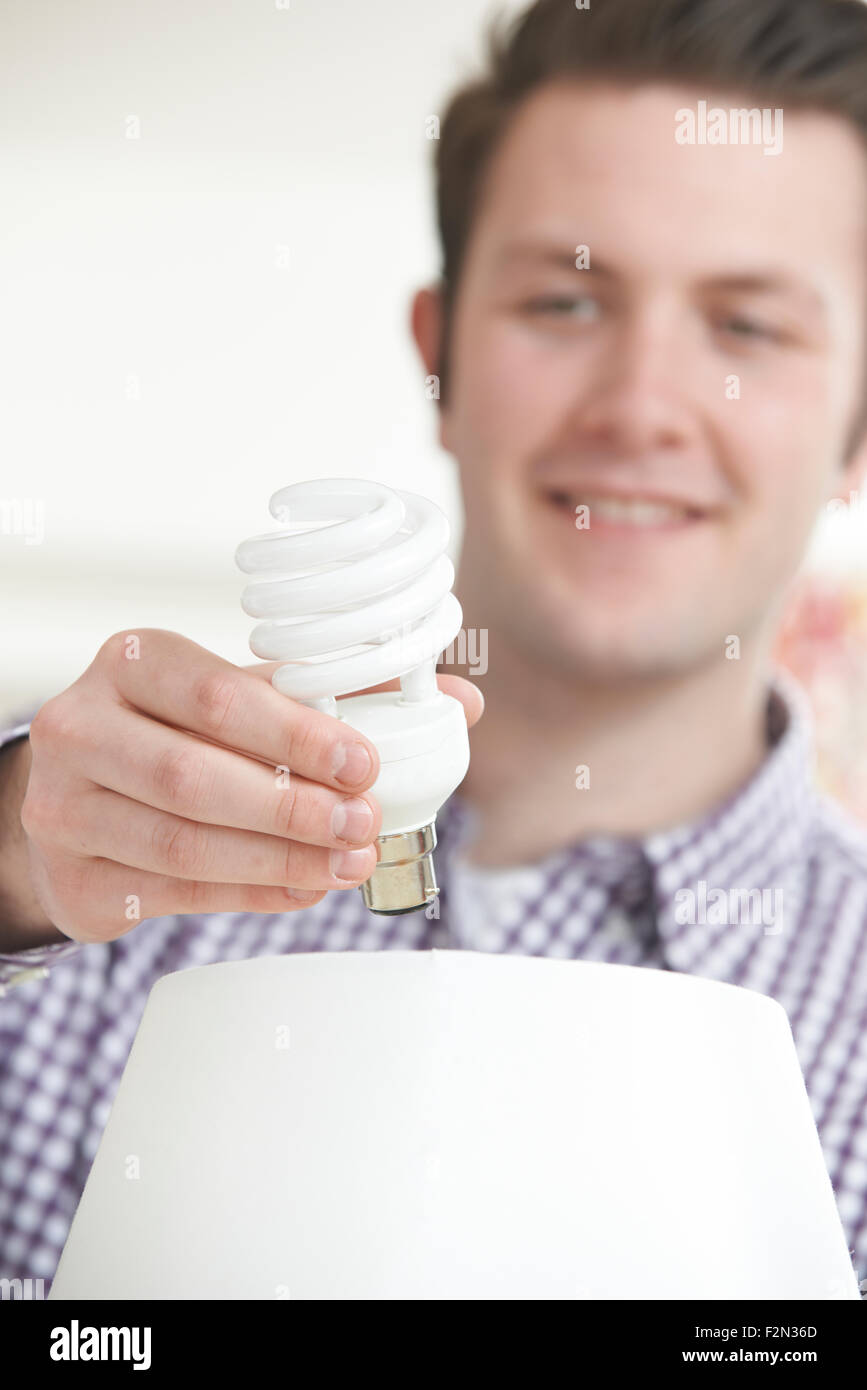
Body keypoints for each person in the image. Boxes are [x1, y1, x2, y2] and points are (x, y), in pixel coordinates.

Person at [2, 0, 867, 1293]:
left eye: (746, 326)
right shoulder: (89, 878)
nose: (640, 407)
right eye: (566, 301)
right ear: (438, 355)